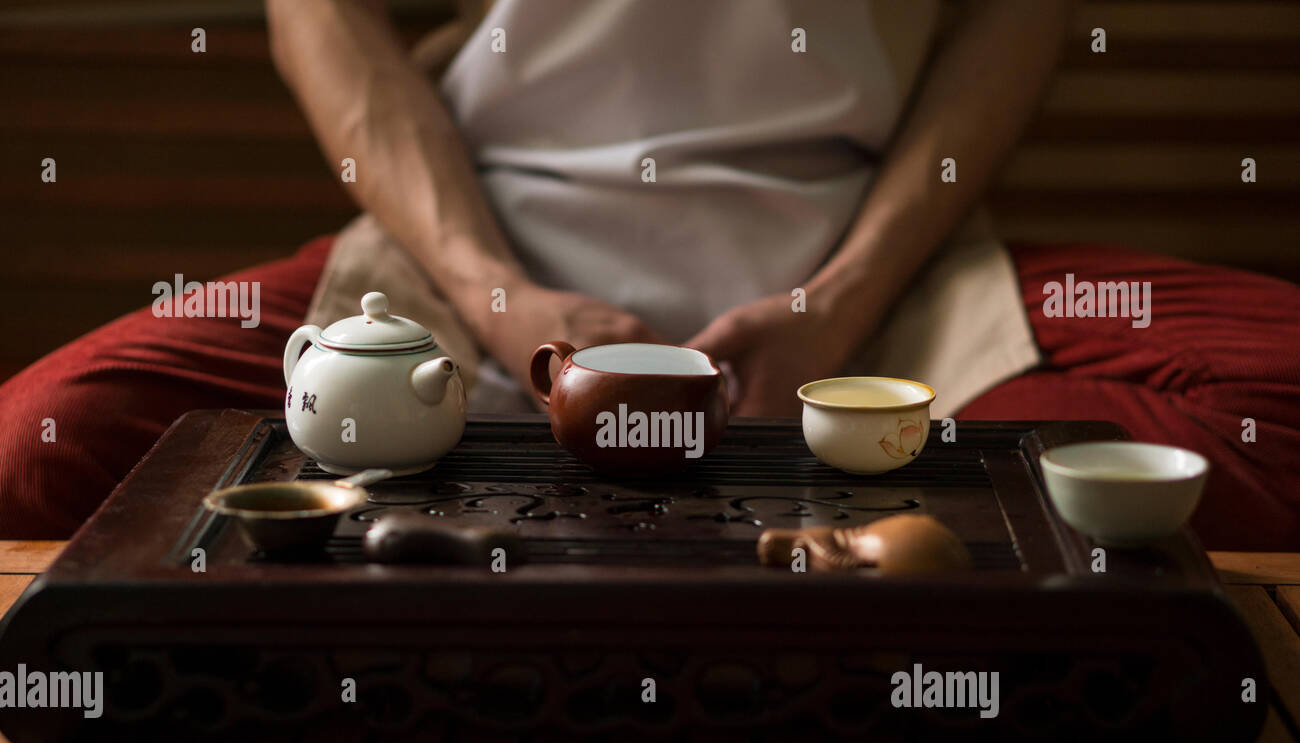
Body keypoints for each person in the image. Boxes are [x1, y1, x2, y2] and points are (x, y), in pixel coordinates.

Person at [0, 0, 1296, 549]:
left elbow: (1018, 16)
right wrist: (499, 300)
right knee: (32, 453)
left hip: (874, 261)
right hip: (464, 260)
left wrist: (839, 304)